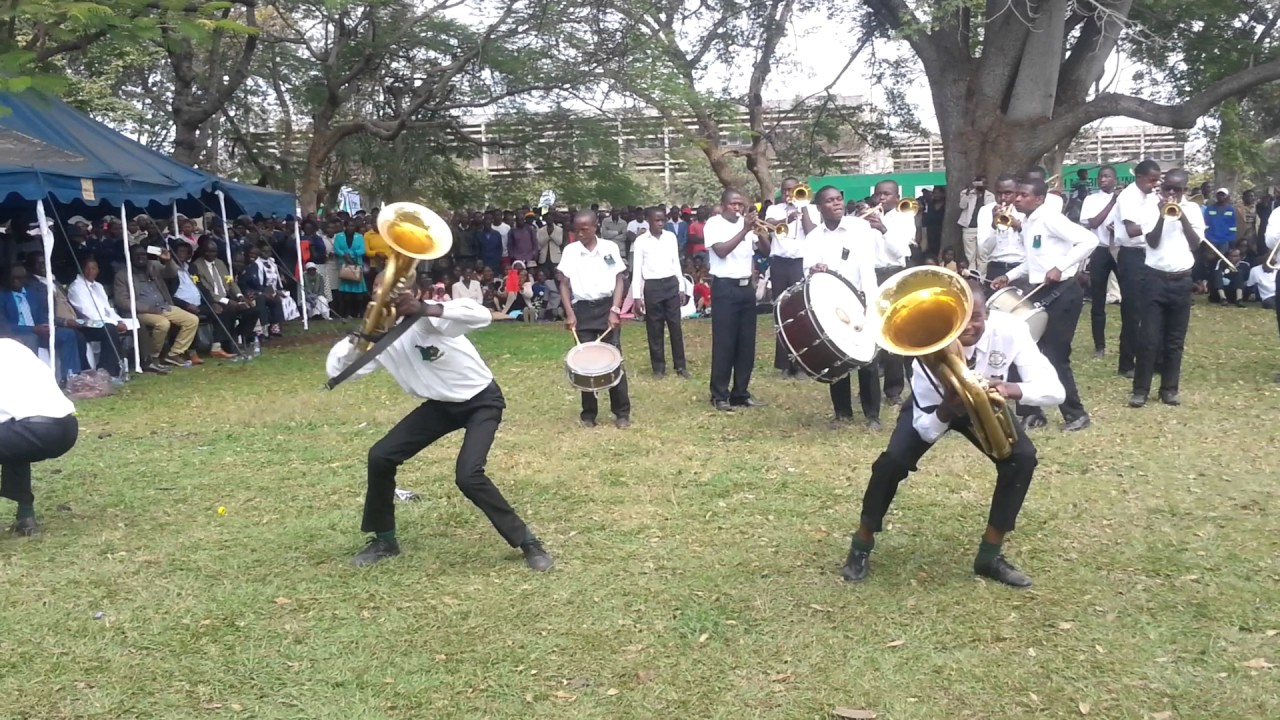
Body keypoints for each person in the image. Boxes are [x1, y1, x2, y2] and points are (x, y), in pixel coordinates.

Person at [840, 282, 1065, 588]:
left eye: (979, 316)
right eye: (964, 318)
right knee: (891, 463)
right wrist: (947, 410)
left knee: (1021, 459)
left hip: (986, 400)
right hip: (939, 406)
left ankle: (990, 555)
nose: (971, 325)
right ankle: (861, 544)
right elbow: (925, 427)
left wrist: (1013, 389)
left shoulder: (1011, 330)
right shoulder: (924, 350)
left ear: (989, 313)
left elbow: (1055, 390)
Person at [325, 283, 553, 571]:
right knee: (381, 456)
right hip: (440, 406)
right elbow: (337, 372)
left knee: (468, 476)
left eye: (395, 290)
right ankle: (384, 540)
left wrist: (426, 309)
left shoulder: (430, 321)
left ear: (415, 293)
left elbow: (480, 315)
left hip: (481, 400)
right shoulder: (381, 339)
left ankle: (529, 543)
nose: (386, 296)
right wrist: (359, 339)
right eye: (380, 290)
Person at [992, 177, 1098, 432]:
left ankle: (1076, 414)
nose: (1017, 199)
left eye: (1023, 195)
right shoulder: (1028, 223)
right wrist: (1010, 276)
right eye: (1017, 194)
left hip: (1063, 292)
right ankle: (1031, 412)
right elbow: (1033, 262)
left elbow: (1089, 241)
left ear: (1039, 199)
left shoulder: (1051, 217)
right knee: (1021, 347)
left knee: (1055, 355)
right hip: (1041, 290)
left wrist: (1061, 267)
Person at [802, 186, 883, 429]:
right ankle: (842, 412)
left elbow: (868, 268)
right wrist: (815, 269)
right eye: (829, 201)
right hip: (831, 302)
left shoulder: (859, 228)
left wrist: (871, 303)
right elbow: (806, 271)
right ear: (819, 208)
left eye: (839, 199)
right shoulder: (814, 237)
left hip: (860, 297)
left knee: (867, 358)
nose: (836, 203)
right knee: (836, 356)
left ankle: (872, 415)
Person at [1129, 169, 1201, 408]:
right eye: (1167, 188)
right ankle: (1140, 391)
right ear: (1161, 187)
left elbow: (1195, 244)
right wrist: (1162, 215)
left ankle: (1169, 390)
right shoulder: (1150, 208)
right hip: (1154, 280)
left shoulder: (1193, 210)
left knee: (1174, 340)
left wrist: (1181, 218)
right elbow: (1152, 241)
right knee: (1148, 338)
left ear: (1184, 191)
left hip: (1181, 281)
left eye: (1176, 189)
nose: (1171, 193)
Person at [557, 210, 632, 428]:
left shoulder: (609, 248)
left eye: (585, 229)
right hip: (582, 310)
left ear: (595, 226)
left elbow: (619, 279)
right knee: (585, 363)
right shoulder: (571, 251)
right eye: (576, 229)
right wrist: (570, 313)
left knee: (614, 360)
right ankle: (589, 414)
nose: (580, 233)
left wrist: (615, 310)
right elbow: (564, 284)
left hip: (606, 307)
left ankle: (621, 413)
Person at [0, 338, 79, 536]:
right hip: (66, 427)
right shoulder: (12, 345)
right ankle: (26, 516)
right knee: (13, 444)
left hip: (33, 429)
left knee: (14, 437)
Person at [705, 189, 769, 411]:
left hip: (745, 288)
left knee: (746, 344)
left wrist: (759, 231)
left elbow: (766, 251)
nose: (738, 208)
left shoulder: (747, 224)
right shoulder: (714, 224)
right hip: (725, 288)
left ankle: (740, 393)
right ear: (723, 205)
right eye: (733, 204)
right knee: (725, 343)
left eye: (741, 204)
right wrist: (744, 230)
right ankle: (719, 395)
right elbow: (721, 251)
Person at [867, 179, 915, 406]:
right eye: (879, 194)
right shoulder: (865, 218)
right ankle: (869, 386)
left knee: (893, 331)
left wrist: (883, 229)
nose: (882, 198)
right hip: (871, 275)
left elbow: (901, 252)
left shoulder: (905, 218)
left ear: (897, 197)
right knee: (870, 329)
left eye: (887, 194)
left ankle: (894, 390)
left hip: (895, 274)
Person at [1112, 160, 1163, 377]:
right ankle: (1126, 364)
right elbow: (1132, 230)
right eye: (1152, 180)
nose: (1155, 184)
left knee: (1152, 309)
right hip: (1132, 256)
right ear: (1139, 177)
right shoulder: (1128, 196)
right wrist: (1157, 220)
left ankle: (1153, 360)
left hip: (1151, 255)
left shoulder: (1152, 196)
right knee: (1132, 312)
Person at [114, 245, 199, 368]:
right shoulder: (122, 275)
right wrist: (148, 309)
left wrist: (168, 260)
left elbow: (171, 274)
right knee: (163, 323)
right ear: (130, 257)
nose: (141, 258)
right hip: (140, 312)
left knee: (192, 320)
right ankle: (152, 356)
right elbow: (122, 301)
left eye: (143, 254)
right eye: (137, 255)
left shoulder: (153, 265)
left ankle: (174, 354)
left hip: (163, 306)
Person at [632, 206, 689, 379]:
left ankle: (680, 366)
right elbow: (637, 270)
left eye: (662, 220)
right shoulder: (641, 241)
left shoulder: (670, 237)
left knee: (675, 327)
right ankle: (658, 367)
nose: (660, 223)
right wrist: (636, 296)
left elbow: (676, 263)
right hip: (652, 286)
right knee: (654, 328)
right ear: (648, 220)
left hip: (671, 283)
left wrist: (681, 287)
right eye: (656, 220)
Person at [765, 178, 811, 379]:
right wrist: (787, 220)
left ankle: (801, 364)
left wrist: (804, 208)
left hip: (800, 263)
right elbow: (768, 226)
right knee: (780, 310)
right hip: (779, 264)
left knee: (801, 312)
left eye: (792, 190)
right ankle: (784, 363)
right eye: (785, 190)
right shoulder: (775, 209)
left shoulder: (811, 208)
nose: (789, 193)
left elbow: (812, 232)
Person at [1080, 165, 1124, 360]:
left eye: (1107, 176)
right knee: (1097, 302)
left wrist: (1119, 228)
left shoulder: (1125, 199)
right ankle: (1099, 345)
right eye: (1100, 177)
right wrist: (1112, 202)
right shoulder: (1091, 199)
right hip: (1100, 250)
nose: (1103, 179)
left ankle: (1128, 344)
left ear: (1114, 179)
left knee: (1129, 301)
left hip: (1120, 251)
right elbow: (1093, 223)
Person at [193, 239, 255, 357]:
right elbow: (205, 290)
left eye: (214, 252)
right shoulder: (197, 266)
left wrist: (240, 296)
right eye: (209, 251)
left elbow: (230, 281)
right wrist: (227, 301)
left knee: (252, 311)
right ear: (202, 251)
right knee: (227, 311)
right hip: (213, 300)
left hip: (228, 297)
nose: (211, 254)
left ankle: (234, 336)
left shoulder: (220, 263)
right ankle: (225, 345)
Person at [978, 174, 1026, 282]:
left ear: (1017, 192)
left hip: (1021, 269)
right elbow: (983, 251)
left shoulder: (1025, 211)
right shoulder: (985, 211)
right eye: (999, 193)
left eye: (1008, 193)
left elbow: (1033, 246)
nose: (1003, 197)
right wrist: (993, 225)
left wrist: (1020, 227)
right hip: (996, 268)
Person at [957, 175, 995, 268]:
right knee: (970, 257)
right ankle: (972, 277)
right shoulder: (966, 193)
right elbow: (962, 206)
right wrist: (968, 192)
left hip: (983, 229)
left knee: (982, 256)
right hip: (969, 228)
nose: (982, 185)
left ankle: (981, 278)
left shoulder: (990, 196)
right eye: (980, 182)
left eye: (985, 183)